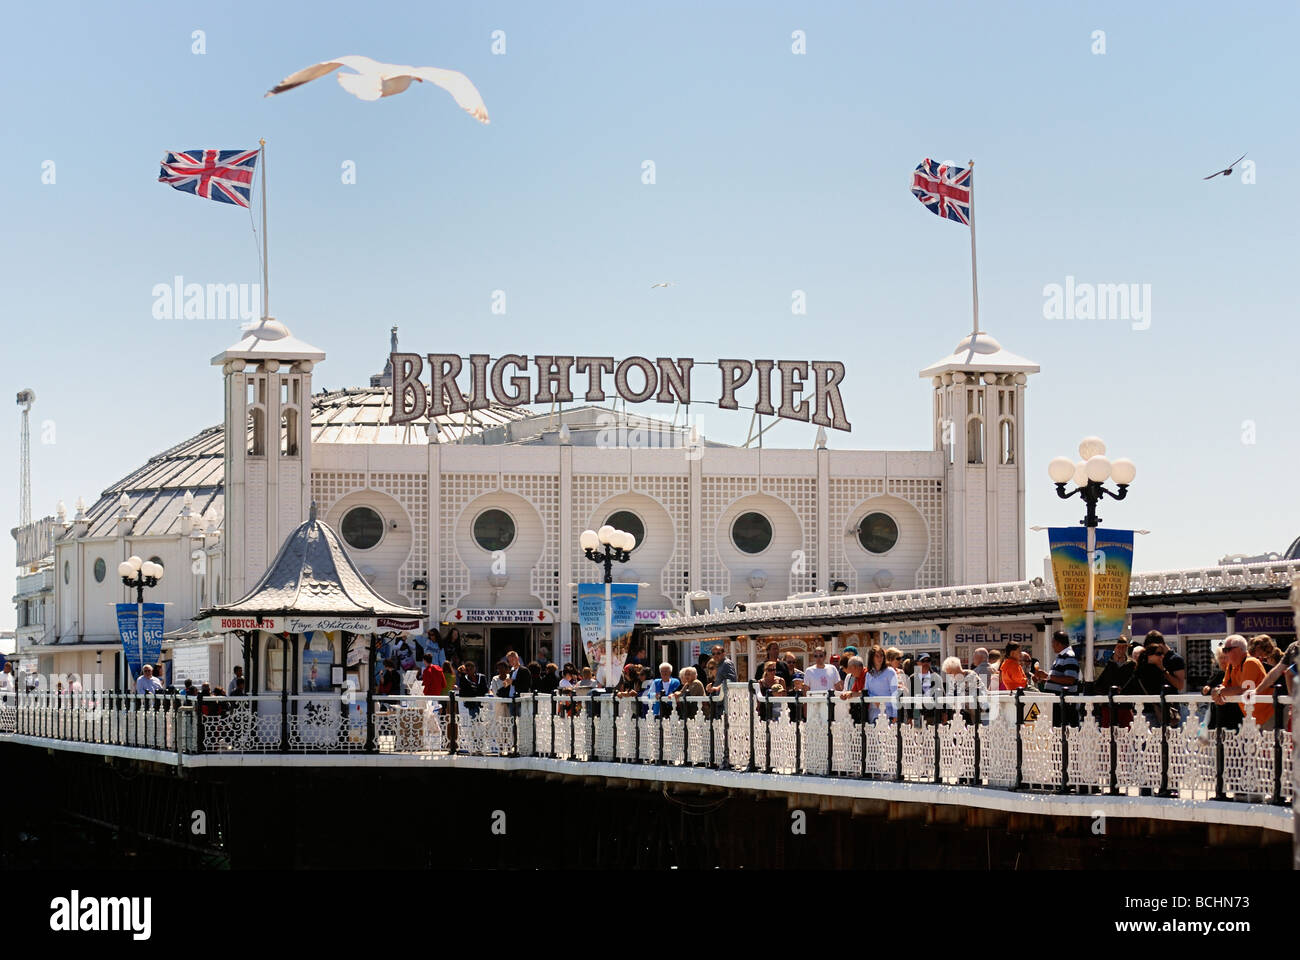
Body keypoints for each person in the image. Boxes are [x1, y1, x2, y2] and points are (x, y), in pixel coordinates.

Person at [1211, 634, 1273, 729]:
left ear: (1239, 650)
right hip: (1252, 718)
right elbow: (1224, 687)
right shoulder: (1231, 666)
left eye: (1227, 650)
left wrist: (1219, 692)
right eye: (1224, 650)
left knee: (1273, 744)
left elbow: (1243, 689)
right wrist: (1219, 693)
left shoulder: (1250, 662)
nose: (1224, 653)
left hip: (1269, 715)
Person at [1034, 631, 1081, 727]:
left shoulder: (1068, 656)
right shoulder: (1062, 656)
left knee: (1061, 730)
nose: (1052, 645)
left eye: (1052, 642)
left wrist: (1047, 677)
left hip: (1063, 704)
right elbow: (1059, 679)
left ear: (1058, 643)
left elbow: (1070, 680)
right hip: (1058, 702)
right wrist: (1044, 679)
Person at [1094, 637, 1136, 726]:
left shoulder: (1132, 665)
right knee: (1107, 735)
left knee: (1127, 735)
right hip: (1107, 705)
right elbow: (1098, 683)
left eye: (1124, 647)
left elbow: (1134, 684)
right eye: (1118, 647)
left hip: (1125, 706)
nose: (1121, 650)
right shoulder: (1105, 664)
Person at [802, 646, 840, 723]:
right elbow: (805, 691)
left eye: (821, 655)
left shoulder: (832, 668)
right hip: (814, 704)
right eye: (816, 656)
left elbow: (838, 688)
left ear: (825, 656)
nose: (818, 658)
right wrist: (805, 707)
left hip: (830, 704)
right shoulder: (809, 671)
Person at [863, 645, 898, 722]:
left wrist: (895, 714)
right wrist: (875, 699)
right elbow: (867, 692)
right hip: (873, 713)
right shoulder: (869, 674)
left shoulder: (890, 672)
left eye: (881, 656)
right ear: (872, 658)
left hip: (888, 712)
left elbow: (895, 693)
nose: (880, 658)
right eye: (877, 656)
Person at [836, 655, 867, 722]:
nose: (850, 672)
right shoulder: (857, 677)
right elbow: (853, 691)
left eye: (850, 668)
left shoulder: (868, 675)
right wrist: (846, 694)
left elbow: (866, 693)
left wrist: (852, 694)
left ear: (855, 667)